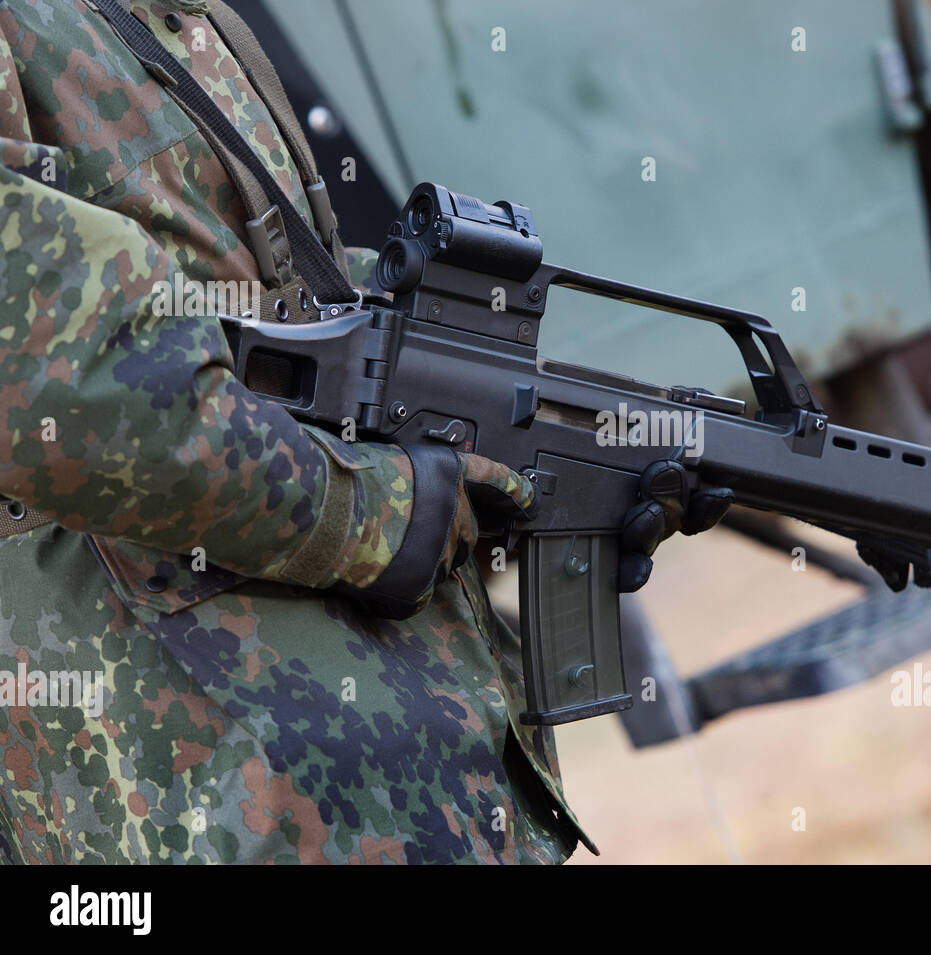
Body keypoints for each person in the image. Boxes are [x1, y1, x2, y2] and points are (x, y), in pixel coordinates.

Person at [0, 0, 697, 864]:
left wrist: (537, 439)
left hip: (387, 784)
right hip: (198, 798)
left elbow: (267, 296)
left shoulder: (176, 16)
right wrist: (372, 513)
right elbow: (49, 378)